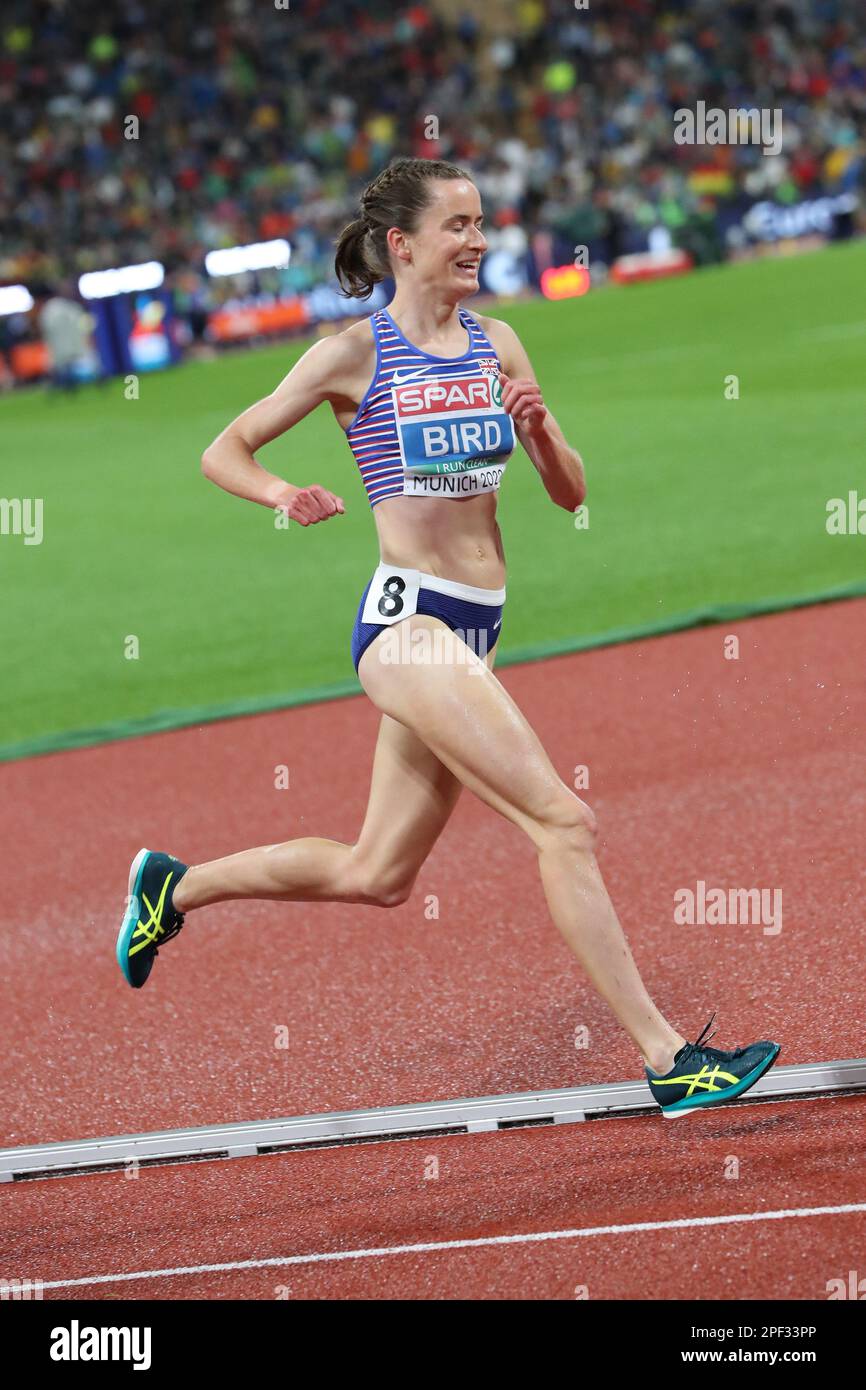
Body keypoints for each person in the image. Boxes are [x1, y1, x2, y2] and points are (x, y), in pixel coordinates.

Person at [116, 157, 779, 1117]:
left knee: (376, 872)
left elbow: (571, 491)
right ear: (403, 243)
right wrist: (281, 494)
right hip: (408, 625)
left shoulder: (496, 342)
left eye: (481, 223)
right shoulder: (356, 352)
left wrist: (543, 432)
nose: (478, 240)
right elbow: (225, 448)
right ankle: (669, 1058)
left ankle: (171, 891)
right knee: (564, 820)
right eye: (459, 225)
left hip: (476, 628)